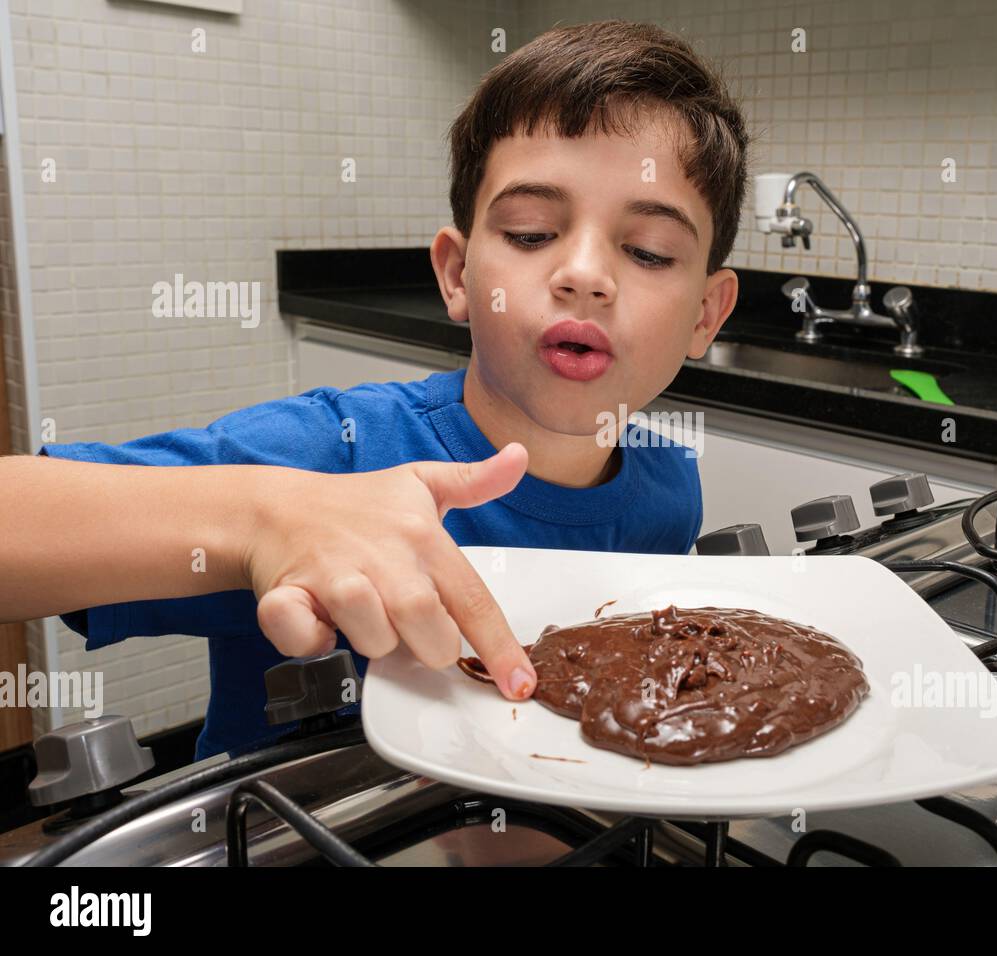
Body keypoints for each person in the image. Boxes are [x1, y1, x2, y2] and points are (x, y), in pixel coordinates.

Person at [0, 20, 748, 759]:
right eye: (529, 232)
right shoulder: (326, 458)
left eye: (649, 251)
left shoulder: (669, 486)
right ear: (458, 275)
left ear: (706, 315)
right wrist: (267, 523)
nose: (585, 274)